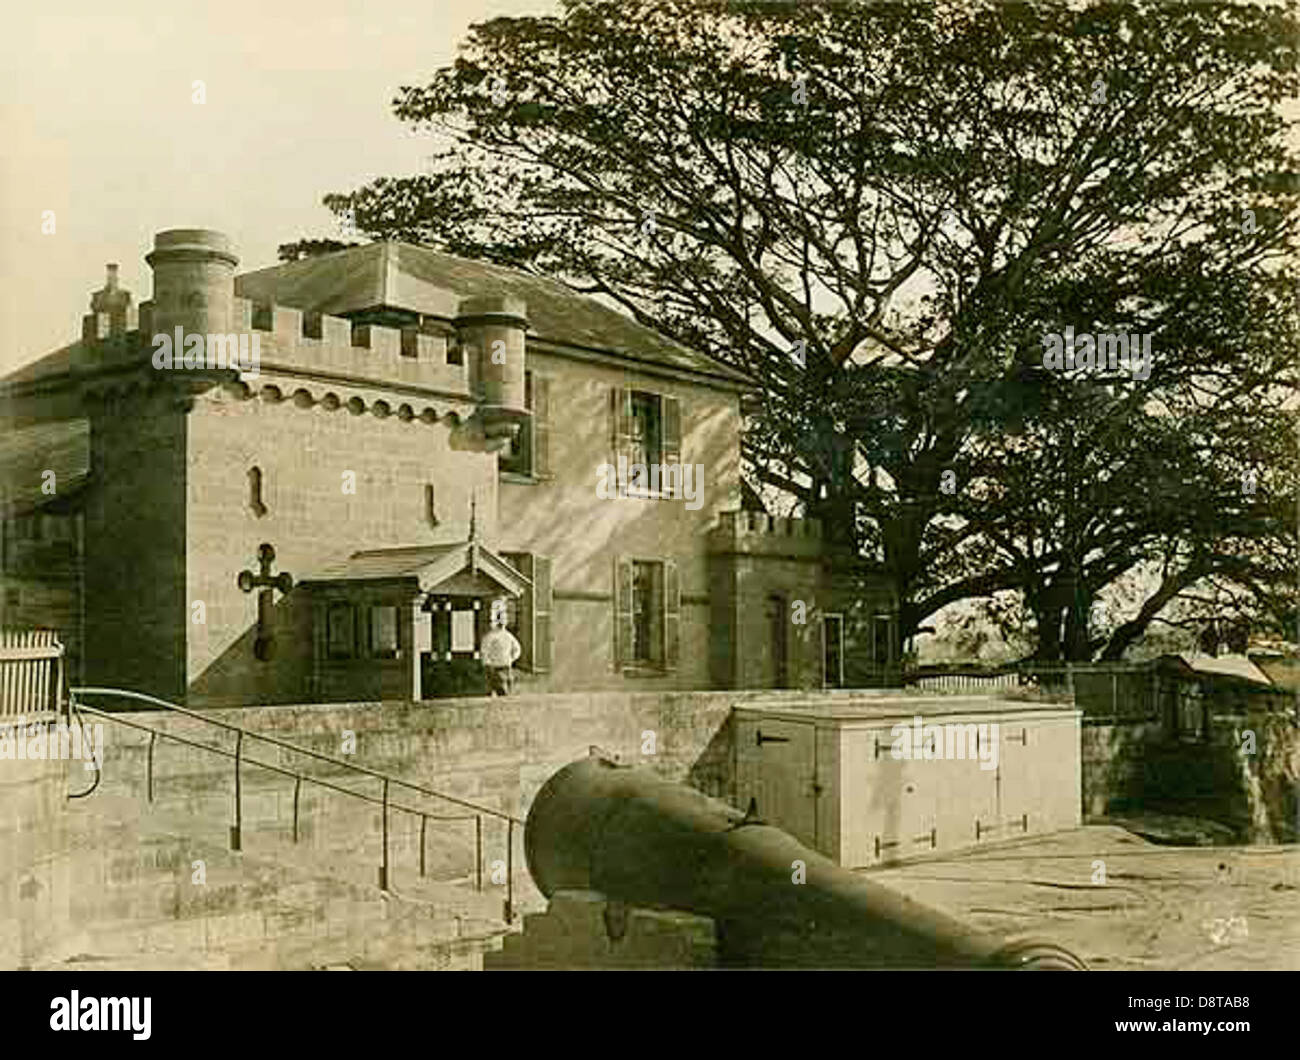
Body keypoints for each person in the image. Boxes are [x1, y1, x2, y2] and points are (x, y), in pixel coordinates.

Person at [481, 605, 522, 696]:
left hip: (505, 666)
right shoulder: (490, 636)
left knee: (505, 690)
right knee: (496, 688)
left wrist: (511, 658)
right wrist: (487, 664)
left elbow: (517, 649)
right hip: (494, 667)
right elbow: (484, 651)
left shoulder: (507, 636)